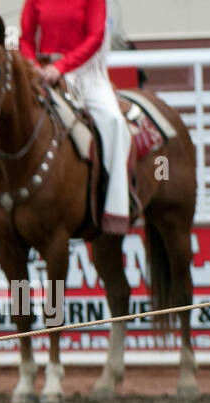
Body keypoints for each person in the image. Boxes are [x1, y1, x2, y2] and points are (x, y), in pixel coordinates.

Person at [20, 0, 131, 233]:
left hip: (86, 75)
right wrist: (32, 65)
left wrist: (61, 67)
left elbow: (95, 37)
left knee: (114, 121)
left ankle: (117, 206)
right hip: (42, 73)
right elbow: (25, 38)